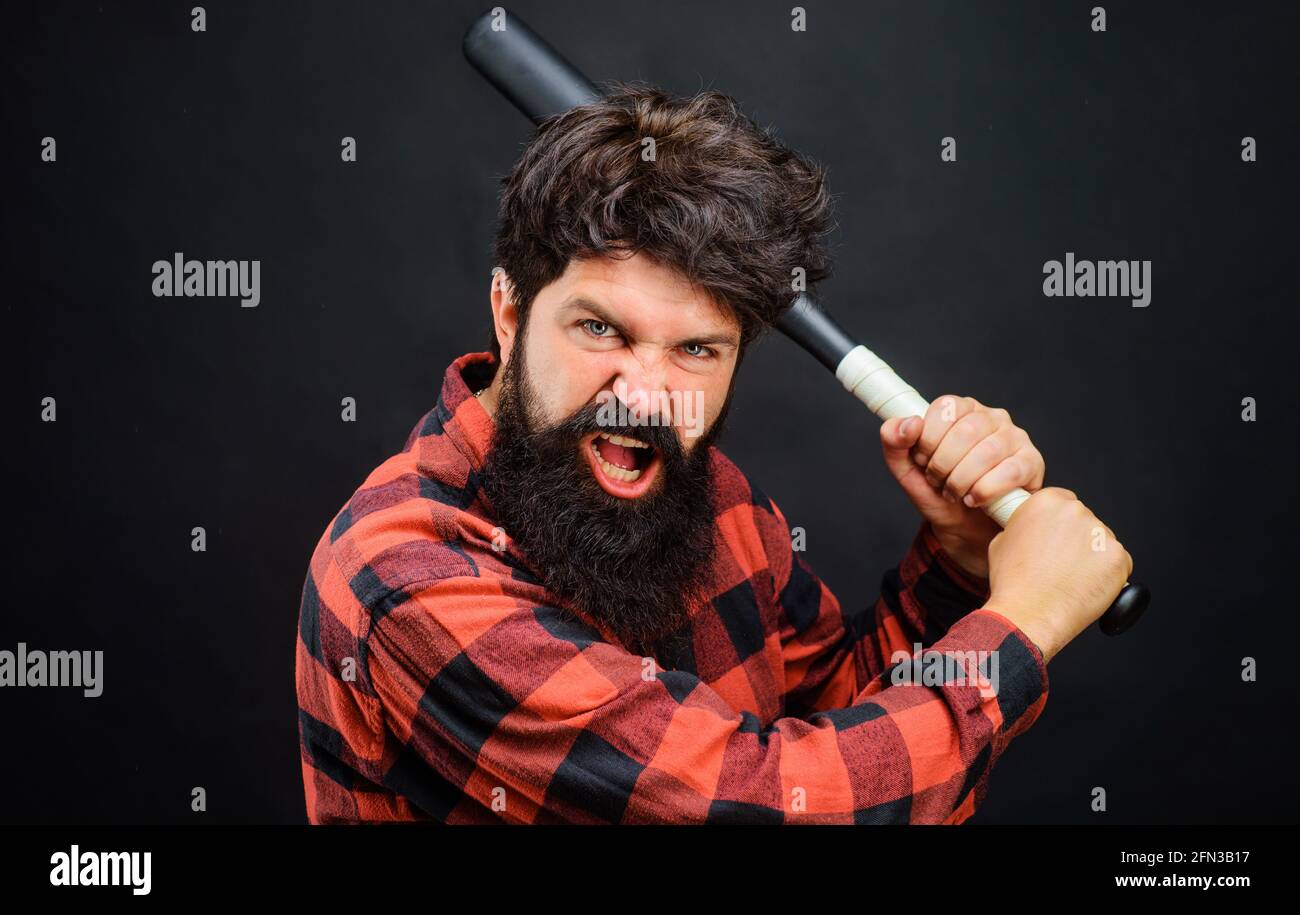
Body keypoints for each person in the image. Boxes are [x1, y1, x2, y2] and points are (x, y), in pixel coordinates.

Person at [295, 84, 1132, 824]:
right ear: (509, 313)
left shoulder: (719, 500)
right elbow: (758, 799)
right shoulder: (405, 575)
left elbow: (846, 721)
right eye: (601, 329)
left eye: (697, 348)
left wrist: (957, 564)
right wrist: (1022, 624)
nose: (649, 395)